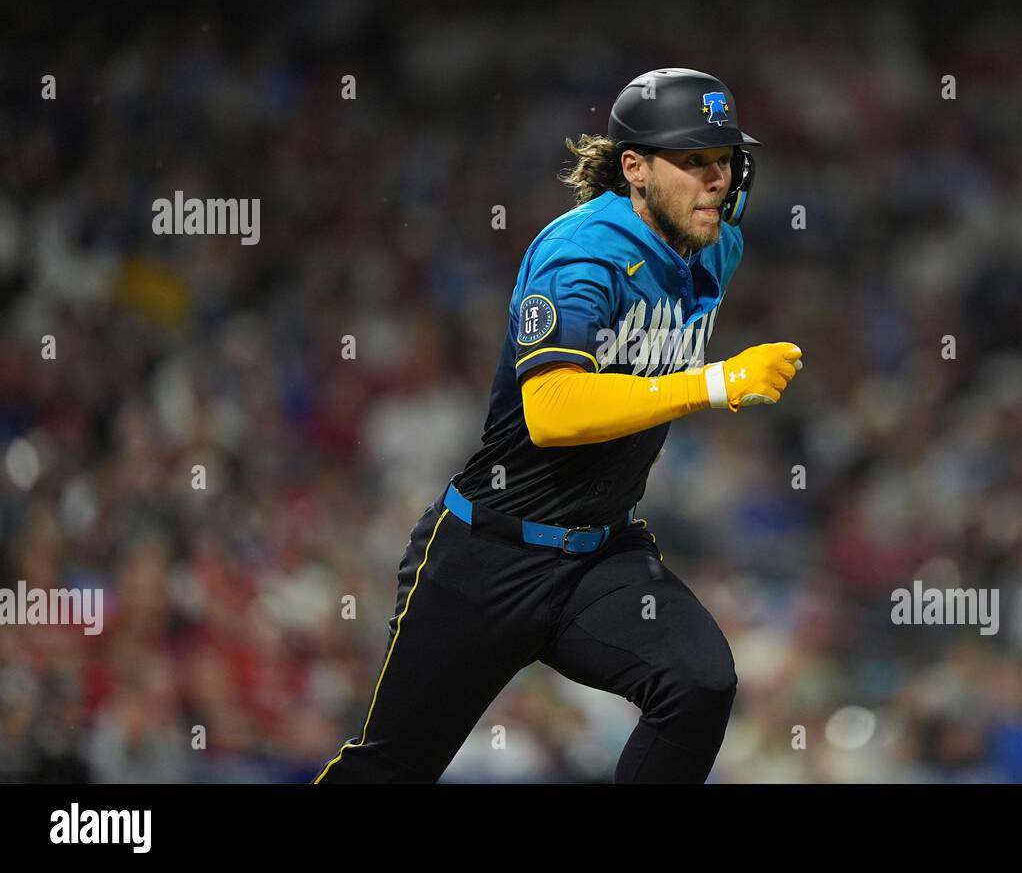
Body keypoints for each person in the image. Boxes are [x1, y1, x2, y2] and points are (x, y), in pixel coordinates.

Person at [314, 67, 803, 783]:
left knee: (699, 683)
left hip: (600, 558)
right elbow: (551, 412)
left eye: (723, 159)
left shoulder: (714, 245)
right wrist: (715, 382)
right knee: (389, 772)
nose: (717, 179)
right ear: (633, 167)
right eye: (693, 160)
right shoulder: (581, 252)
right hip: (488, 555)